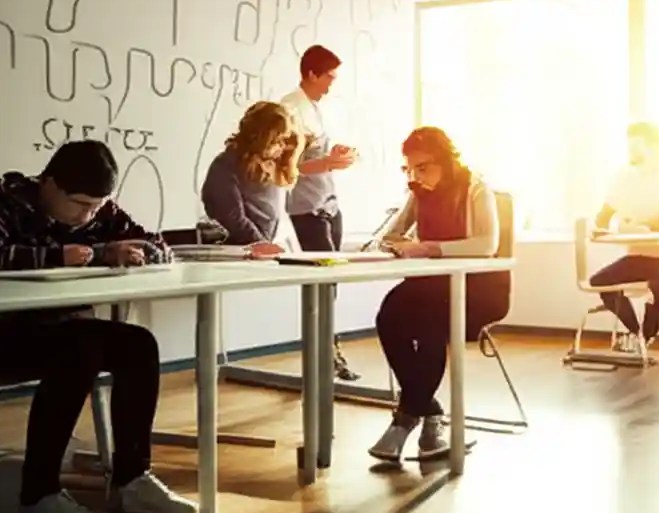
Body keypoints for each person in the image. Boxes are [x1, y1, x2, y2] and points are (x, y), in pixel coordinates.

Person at [0, 140, 197, 513]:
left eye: (97, 206)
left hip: (61, 330)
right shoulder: (8, 199)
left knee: (138, 345)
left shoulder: (100, 213)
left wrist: (129, 253)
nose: (88, 215)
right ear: (48, 184)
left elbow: (159, 247)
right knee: (79, 348)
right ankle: (38, 498)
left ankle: (132, 481)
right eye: (80, 204)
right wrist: (62, 255)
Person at [368, 127, 511, 461]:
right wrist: (396, 243)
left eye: (423, 167)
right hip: (433, 283)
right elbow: (392, 234)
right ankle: (430, 415)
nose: (415, 177)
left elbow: (486, 245)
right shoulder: (419, 192)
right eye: (409, 169)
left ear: (446, 162)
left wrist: (428, 248)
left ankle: (405, 420)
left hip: (479, 288)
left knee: (430, 326)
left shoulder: (476, 189)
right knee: (389, 316)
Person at [281, 44, 360, 381]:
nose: (331, 83)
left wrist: (334, 154)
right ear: (311, 73)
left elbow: (316, 154)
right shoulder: (289, 109)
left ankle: (328, 354)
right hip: (305, 208)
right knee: (322, 282)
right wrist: (327, 162)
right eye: (328, 76)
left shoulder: (314, 107)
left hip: (327, 202)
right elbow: (288, 165)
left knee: (331, 283)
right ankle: (326, 356)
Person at [590, 122, 659, 352]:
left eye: (636, 147)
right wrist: (612, 226)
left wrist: (644, 226)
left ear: (654, 147)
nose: (631, 153)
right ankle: (635, 333)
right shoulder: (624, 177)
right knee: (601, 282)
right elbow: (602, 218)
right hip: (637, 258)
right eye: (629, 147)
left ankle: (645, 335)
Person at [201, 101, 302, 259]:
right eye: (277, 141)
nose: (281, 146)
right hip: (238, 254)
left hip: (268, 250)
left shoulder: (269, 164)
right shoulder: (225, 166)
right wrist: (262, 245)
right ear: (262, 137)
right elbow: (232, 218)